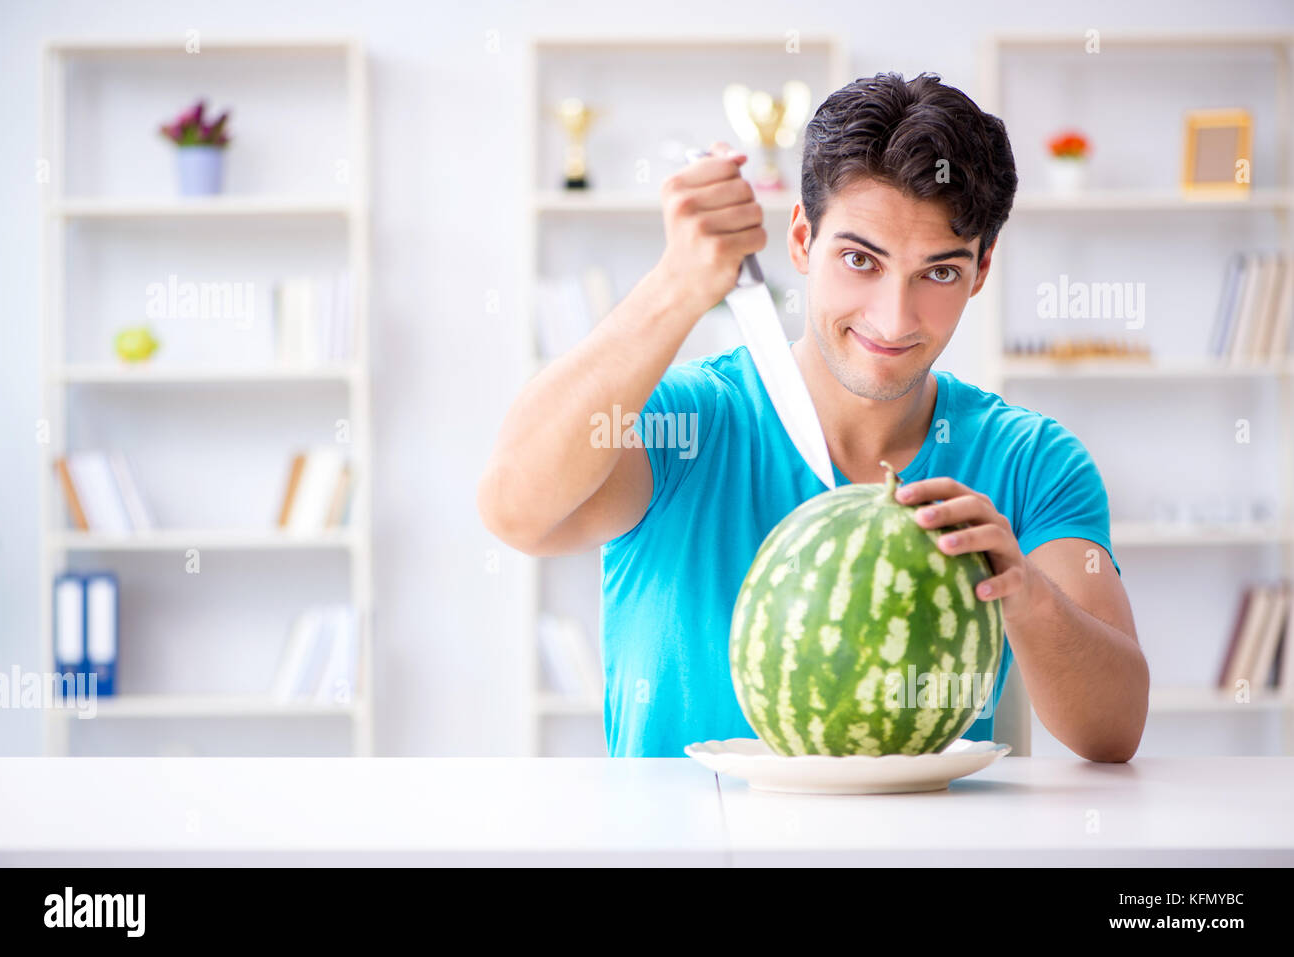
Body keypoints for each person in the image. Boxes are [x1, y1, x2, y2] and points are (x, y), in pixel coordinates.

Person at [478, 72, 1147, 761]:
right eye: (861, 260)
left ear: (980, 270)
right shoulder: (683, 425)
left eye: (939, 273)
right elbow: (513, 510)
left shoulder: (1030, 460)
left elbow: (1113, 730)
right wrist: (675, 286)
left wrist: (1026, 592)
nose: (893, 318)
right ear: (800, 239)